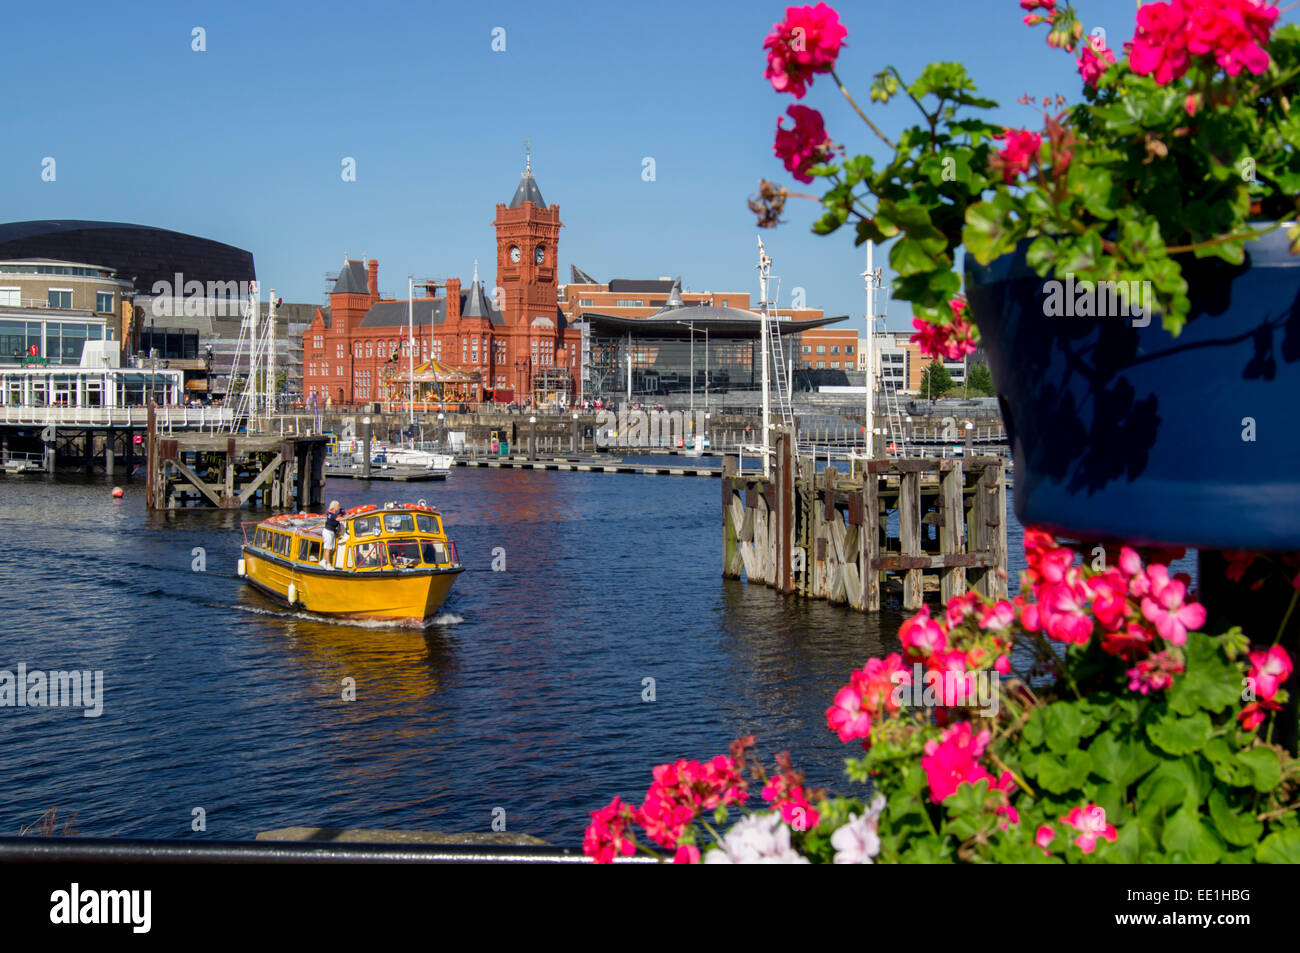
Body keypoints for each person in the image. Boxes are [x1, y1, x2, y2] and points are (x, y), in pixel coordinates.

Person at [320, 500, 343, 569]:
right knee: (328, 549)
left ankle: (323, 560)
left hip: (331, 532)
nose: (339, 507)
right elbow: (339, 519)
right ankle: (328, 565)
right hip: (328, 532)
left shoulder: (332, 514)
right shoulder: (332, 515)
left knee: (331, 548)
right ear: (335, 506)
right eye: (338, 506)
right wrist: (349, 516)